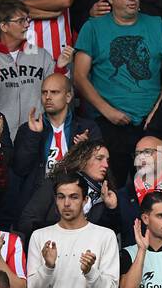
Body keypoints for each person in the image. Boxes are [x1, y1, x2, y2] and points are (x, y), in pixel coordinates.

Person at [72, 0, 162, 183]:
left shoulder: (157, 25)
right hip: (108, 123)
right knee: (112, 186)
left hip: (151, 122)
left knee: (155, 186)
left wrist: (158, 109)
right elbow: (79, 76)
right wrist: (107, 111)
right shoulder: (93, 28)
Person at [26, 174, 119, 288]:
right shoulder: (39, 236)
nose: (66, 203)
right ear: (55, 200)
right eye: (61, 197)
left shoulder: (104, 236)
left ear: (85, 200)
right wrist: (48, 267)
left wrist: (90, 272)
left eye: (74, 197)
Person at [8, 72, 98, 227]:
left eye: (54, 92)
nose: (47, 97)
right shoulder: (29, 128)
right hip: (37, 203)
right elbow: (20, 169)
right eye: (44, 92)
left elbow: (99, 170)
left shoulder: (87, 128)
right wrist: (33, 136)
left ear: (68, 97)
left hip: (74, 199)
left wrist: (84, 150)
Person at [0, 0, 67, 143]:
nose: (27, 25)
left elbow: (61, 96)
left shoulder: (41, 55)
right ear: (4, 26)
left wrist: (60, 69)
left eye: (27, 19)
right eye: (21, 21)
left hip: (36, 135)